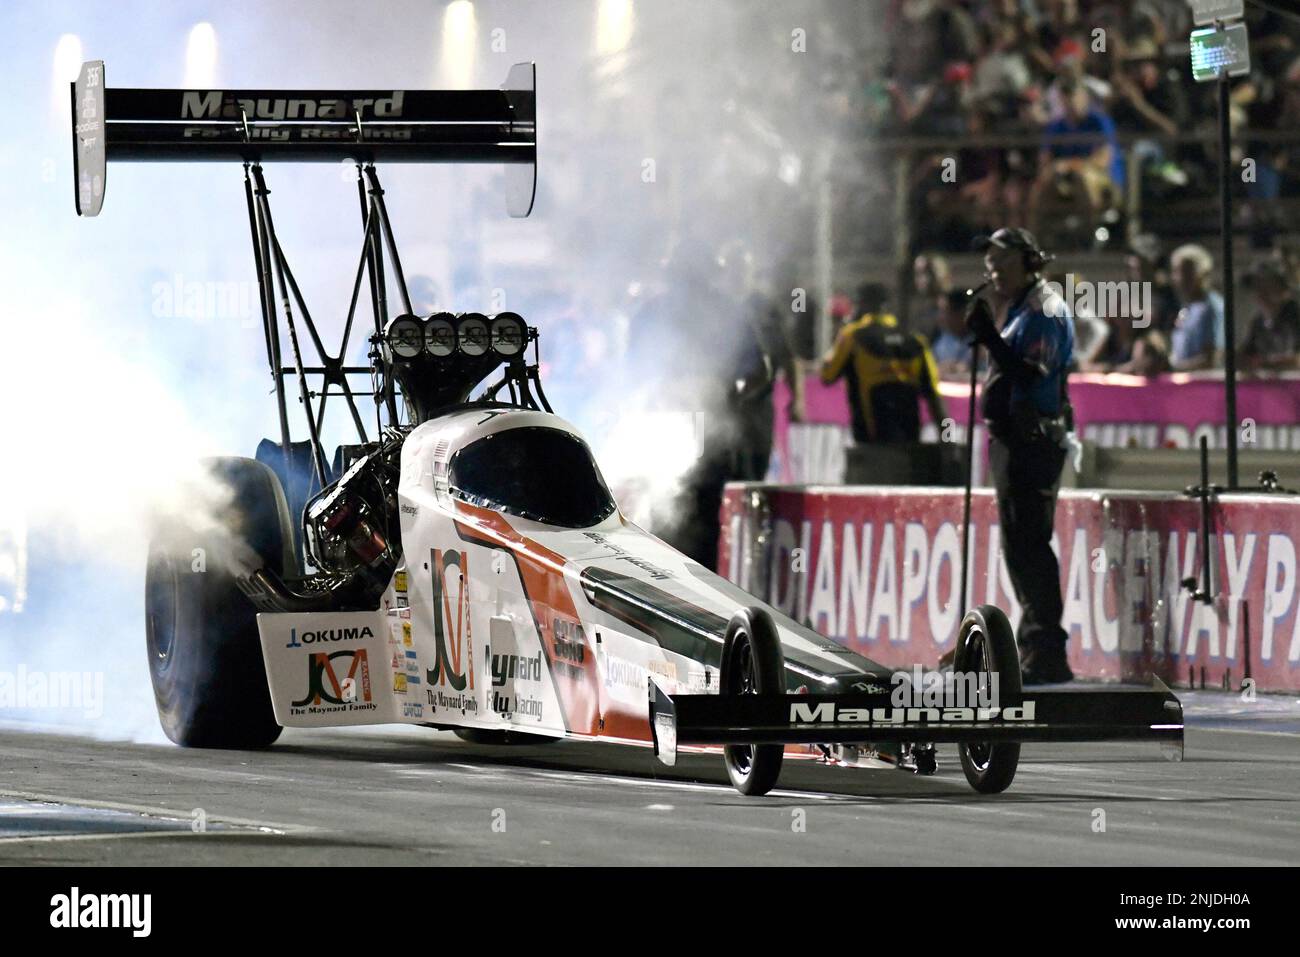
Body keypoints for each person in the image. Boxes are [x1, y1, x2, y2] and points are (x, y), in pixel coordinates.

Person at [966, 227, 1075, 684]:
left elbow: (1031, 374)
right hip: (1013, 439)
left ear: (1027, 261)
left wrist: (990, 338)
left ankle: (1046, 648)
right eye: (989, 265)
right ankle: (1037, 643)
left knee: (1029, 542)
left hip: (1032, 440)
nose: (992, 273)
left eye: (1001, 264)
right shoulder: (1020, 308)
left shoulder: (1044, 306)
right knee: (1019, 543)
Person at [819, 283, 947, 444]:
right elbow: (934, 396)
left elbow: (827, 376)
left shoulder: (852, 336)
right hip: (910, 440)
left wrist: (839, 338)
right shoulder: (916, 340)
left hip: (870, 439)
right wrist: (947, 439)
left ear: (860, 306)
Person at [1168, 244, 1225, 371]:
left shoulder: (1212, 308)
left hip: (1203, 386)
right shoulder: (1186, 307)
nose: (1180, 279)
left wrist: (1172, 368)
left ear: (1202, 274)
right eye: (1177, 272)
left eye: (1187, 273)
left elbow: (1210, 359)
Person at [1241, 259, 1300, 372]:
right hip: (1270, 387)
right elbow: (1246, 356)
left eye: (1267, 285)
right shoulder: (1258, 322)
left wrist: (1265, 364)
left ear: (1284, 288)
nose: (1260, 292)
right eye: (1256, 285)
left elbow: (1297, 360)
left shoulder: (1296, 315)